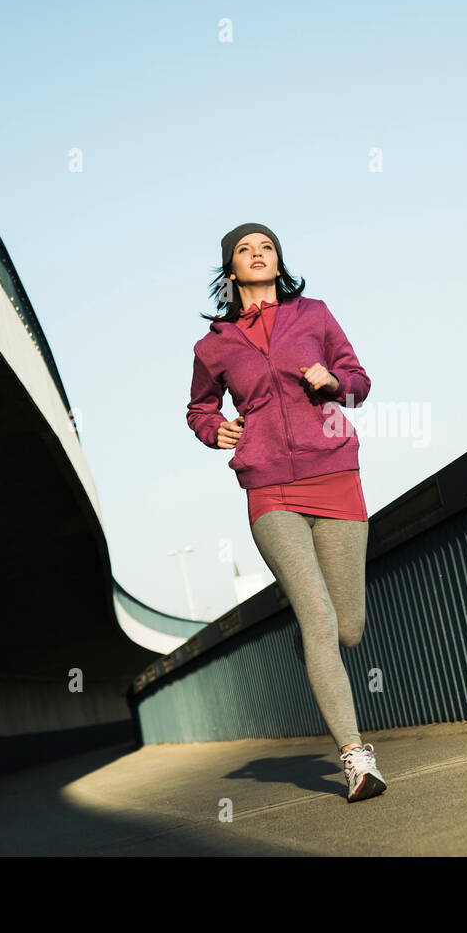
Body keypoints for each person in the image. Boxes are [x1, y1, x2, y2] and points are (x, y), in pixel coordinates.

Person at [185, 222, 387, 803]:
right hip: (268, 487)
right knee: (319, 620)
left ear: (278, 261)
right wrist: (213, 430)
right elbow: (198, 407)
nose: (257, 254)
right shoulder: (214, 344)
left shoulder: (314, 315)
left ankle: (311, 644)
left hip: (335, 476)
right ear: (231, 271)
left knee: (346, 630)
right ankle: (356, 756)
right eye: (245, 250)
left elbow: (359, 384)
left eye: (266, 247)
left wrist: (333, 381)